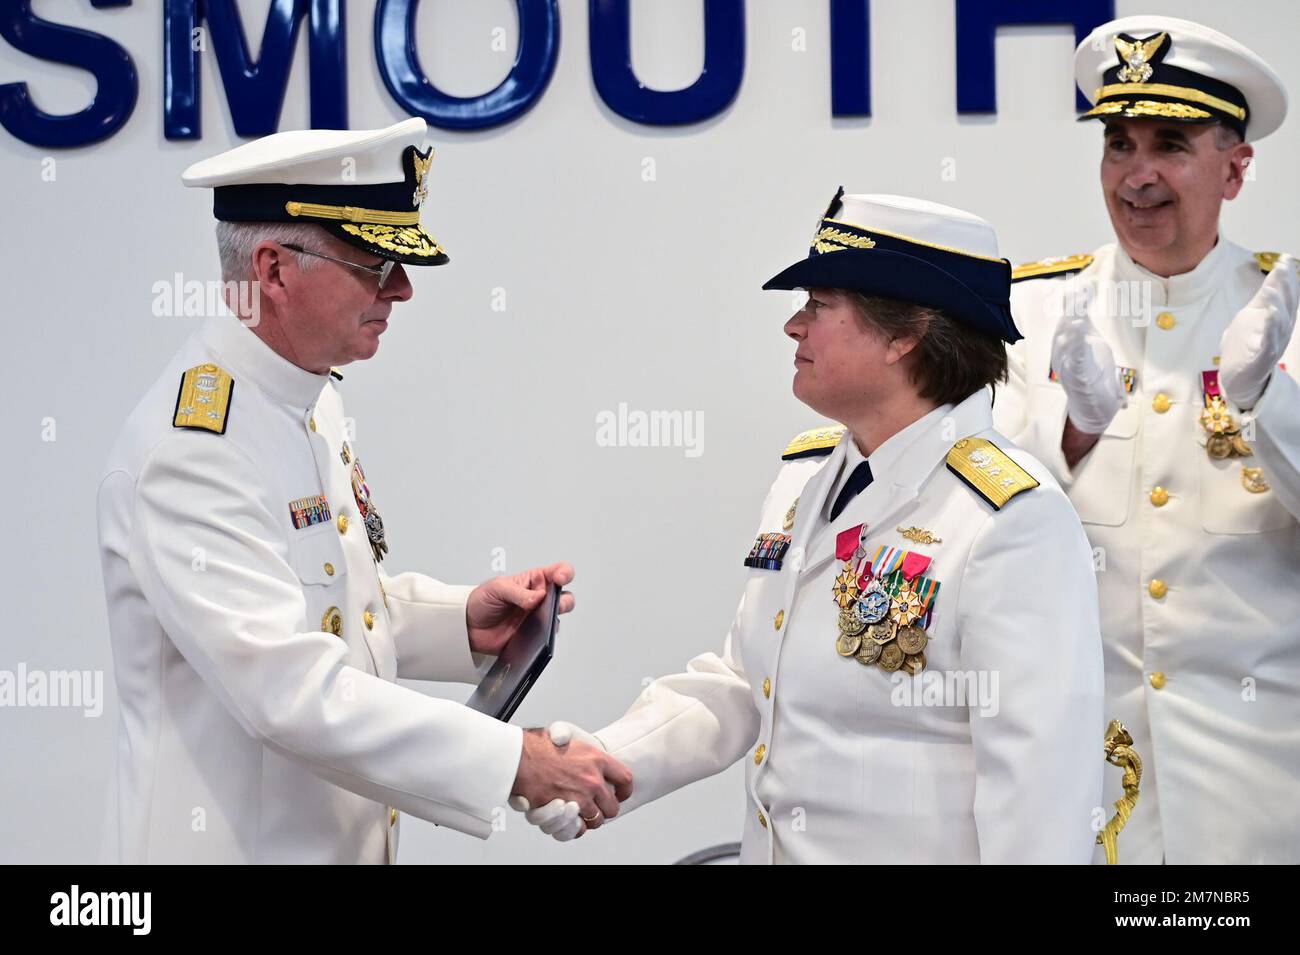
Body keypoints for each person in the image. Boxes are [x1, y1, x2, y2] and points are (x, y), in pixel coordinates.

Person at [96, 118, 630, 864]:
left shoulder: (306, 399)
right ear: (275, 270)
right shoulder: (190, 452)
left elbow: (329, 605)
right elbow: (288, 692)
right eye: (375, 262)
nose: (402, 289)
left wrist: (460, 622)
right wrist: (516, 759)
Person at [514, 192, 1105, 863]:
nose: (794, 326)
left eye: (819, 304)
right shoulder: (809, 472)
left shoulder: (1011, 518)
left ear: (907, 332)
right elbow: (745, 683)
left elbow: (1041, 800)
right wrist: (602, 763)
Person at [994, 16, 1300, 864]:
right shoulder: (1030, 312)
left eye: (1170, 144)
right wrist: (1076, 431)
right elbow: (983, 540)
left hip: (1261, 784)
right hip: (1076, 778)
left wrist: (1266, 403)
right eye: (1118, 144)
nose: (1137, 176)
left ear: (1236, 168)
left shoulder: (1289, 311)